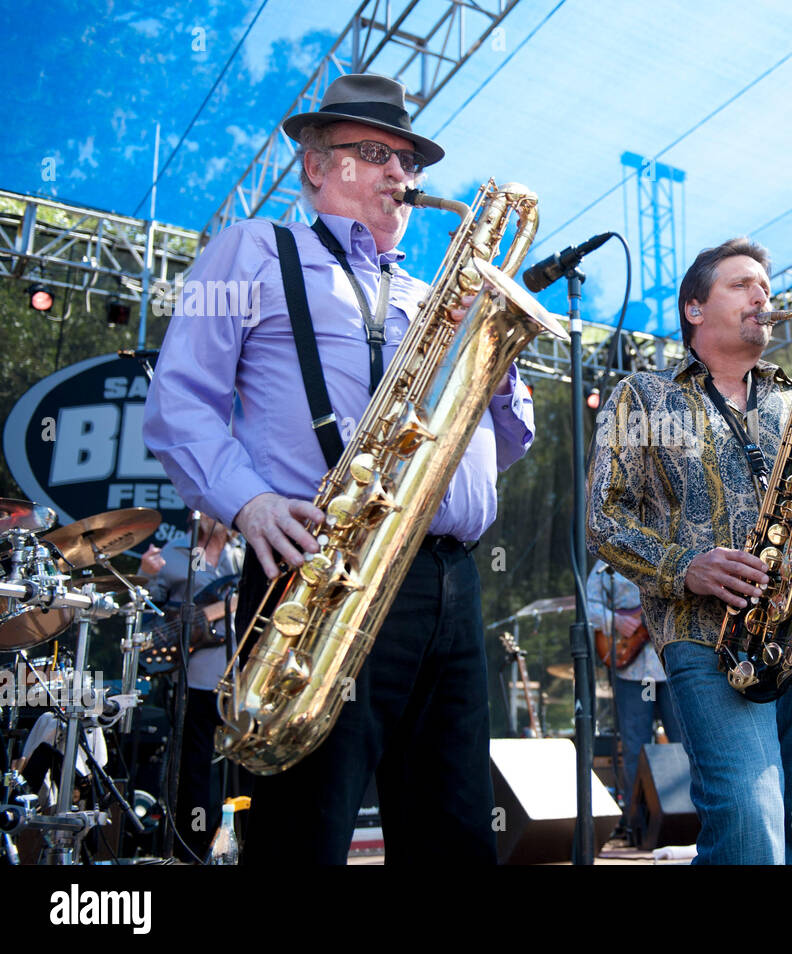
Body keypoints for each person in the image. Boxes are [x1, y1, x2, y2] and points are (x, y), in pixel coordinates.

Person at [143, 73, 536, 865]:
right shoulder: (253, 249)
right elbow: (179, 403)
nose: (401, 175)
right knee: (304, 835)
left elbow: (506, 445)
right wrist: (250, 503)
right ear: (316, 165)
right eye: (376, 154)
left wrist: (493, 361)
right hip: (319, 568)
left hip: (448, 581)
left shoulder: (431, 291)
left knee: (458, 838)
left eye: (409, 162)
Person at [587, 237, 792, 864]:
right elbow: (604, 518)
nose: (761, 297)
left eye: (766, 288)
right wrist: (684, 567)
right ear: (694, 308)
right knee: (749, 828)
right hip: (710, 636)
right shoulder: (641, 395)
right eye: (741, 284)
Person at [138, 514, 243, 859]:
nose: (214, 514)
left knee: (239, 767)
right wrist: (145, 574)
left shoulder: (241, 555)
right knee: (195, 768)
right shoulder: (174, 553)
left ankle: (235, 843)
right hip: (194, 677)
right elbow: (148, 613)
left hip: (239, 676)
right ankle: (194, 846)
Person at [585, 559, 682, 818]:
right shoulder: (609, 559)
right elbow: (588, 604)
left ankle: (687, 818)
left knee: (684, 744)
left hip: (672, 666)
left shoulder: (676, 548)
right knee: (634, 746)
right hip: (632, 672)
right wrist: (615, 620)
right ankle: (636, 821)